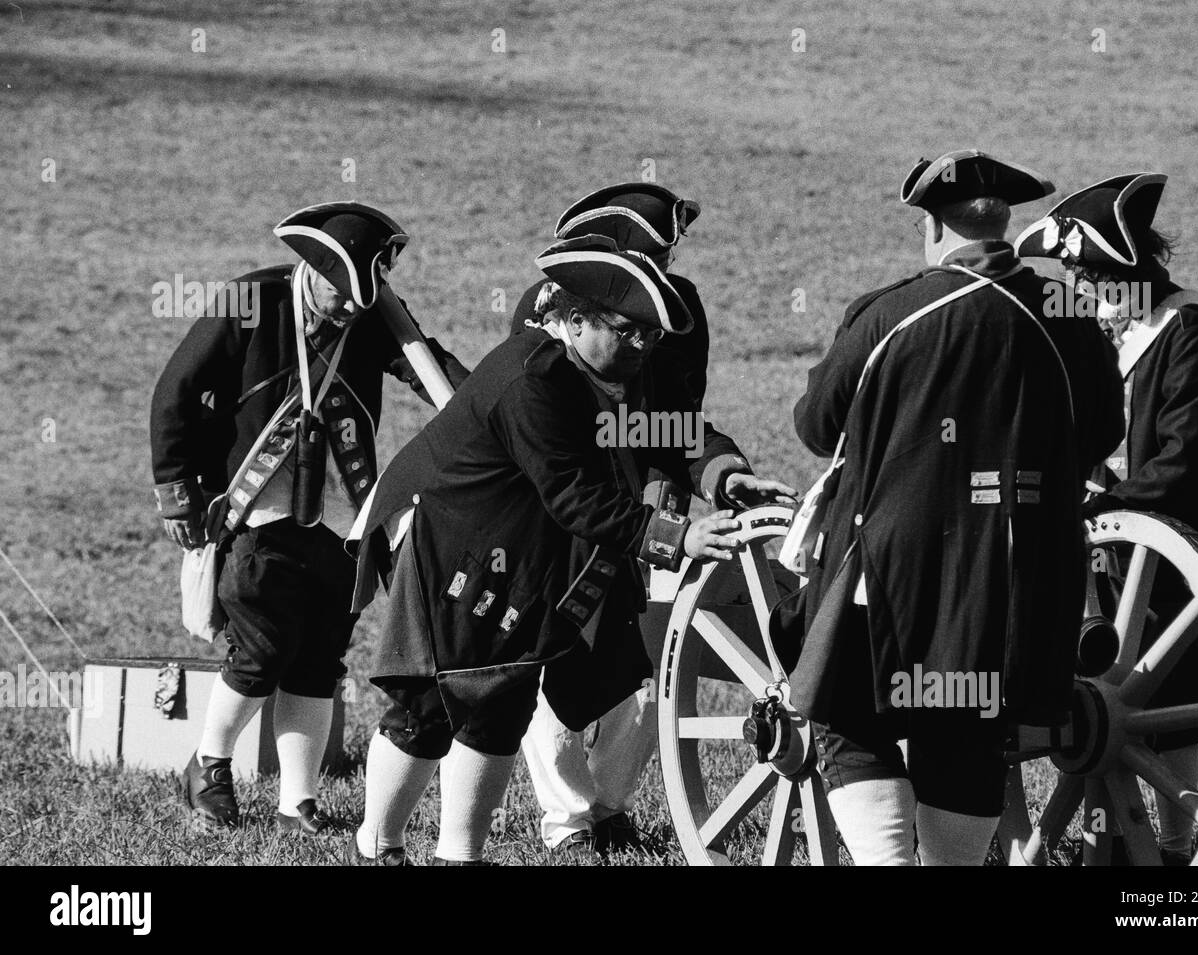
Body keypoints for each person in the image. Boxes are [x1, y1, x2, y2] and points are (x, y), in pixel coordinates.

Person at [349, 235, 744, 866]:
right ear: (577, 318)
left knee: (500, 705)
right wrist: (678, 536)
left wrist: (723, 474)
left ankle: (460, 856)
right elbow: (576, 498)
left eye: (649, 334)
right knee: (425, 710)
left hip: (520, 553)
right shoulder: (532, 380)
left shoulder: (607, 374)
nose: (641, 346)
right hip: (449, 543)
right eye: (628, 330)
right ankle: (379, 844)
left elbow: (666, 431)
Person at [786, 150, 1124, 865]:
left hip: (891, 573)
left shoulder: (887, 314)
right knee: (969, 725)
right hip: (1018, 580)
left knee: (849, 718)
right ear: (1005, 222)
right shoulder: (1071, 320)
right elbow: (1104, 434)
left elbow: (816, 425)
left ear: (933, 229)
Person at [150, 201, 467, 832]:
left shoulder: (374, 310)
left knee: (320, 660)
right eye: (342, 293)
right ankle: (208, 766)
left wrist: (486, 404)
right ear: (314, 269)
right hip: (256, 511)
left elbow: (425, 365)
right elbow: (176, 391)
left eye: (363, 297)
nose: (353, 307)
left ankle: (298, 802)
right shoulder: (252, 300)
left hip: (343, 519)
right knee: (263, 649)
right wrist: (178, 494)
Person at [509, 183, 795, 857]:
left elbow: (679, 423)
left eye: (666, 259)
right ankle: (567, 821)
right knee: (550, 669)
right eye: (652, 259)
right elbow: (547, 442)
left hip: (648, 512)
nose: (663, 276)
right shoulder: (543, 311)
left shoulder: (680, 310)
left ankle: (609, 806)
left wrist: (723, 473)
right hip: (558, 516)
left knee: (648, 664)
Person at [1016, 173, 1198, 864]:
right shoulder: (1106, 334)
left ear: (1120, 271)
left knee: (1167, 701)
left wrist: (1109, 503)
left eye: (1085, 276)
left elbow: (1189, 458)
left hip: (1175, 551)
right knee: (1105, 696)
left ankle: (1177, 847)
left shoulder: (1189, 330)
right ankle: (1113, 837)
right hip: (1107, 552)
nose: (1080, 290)